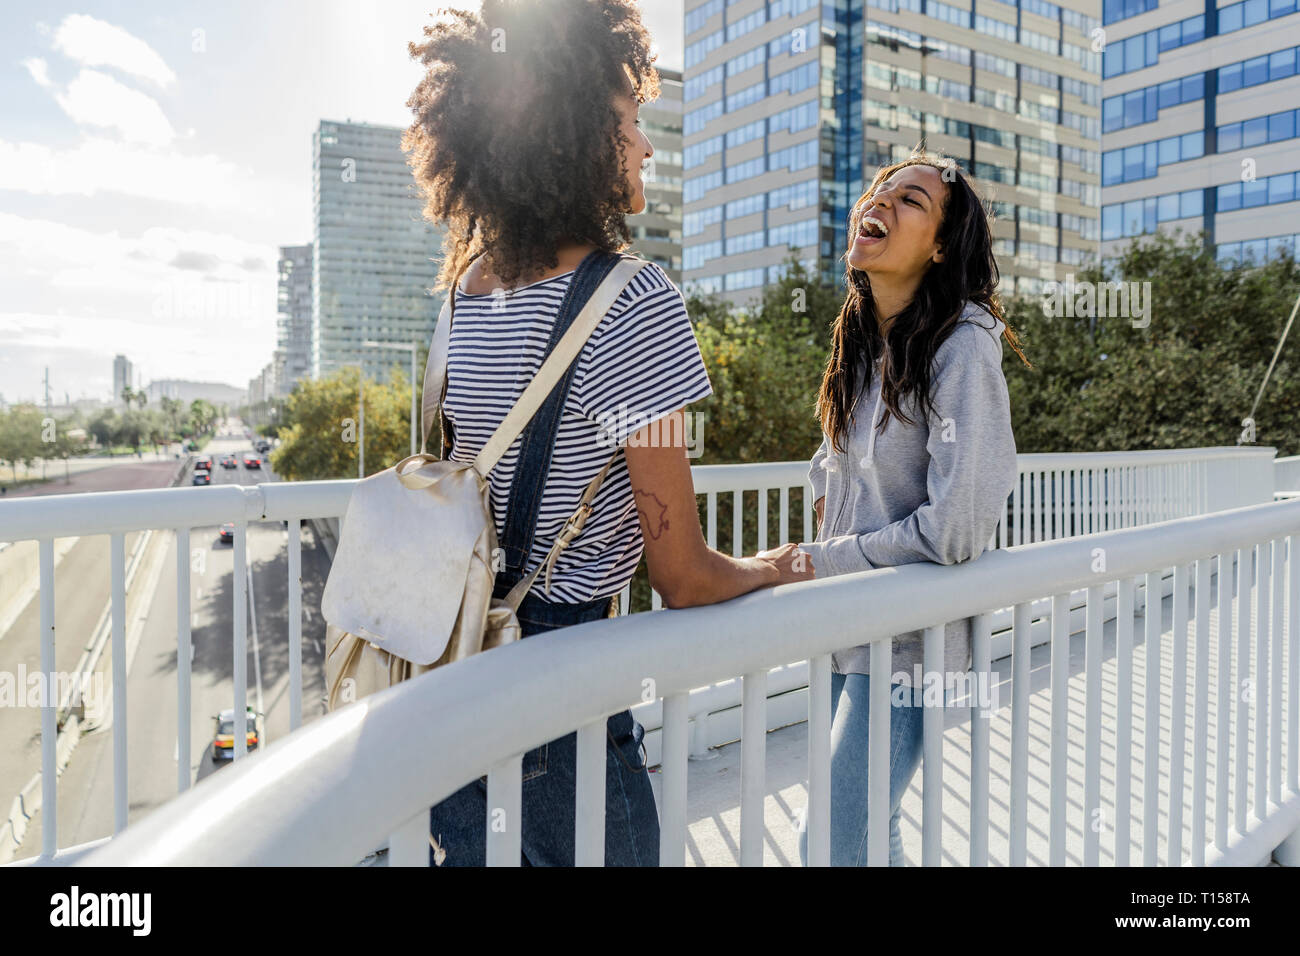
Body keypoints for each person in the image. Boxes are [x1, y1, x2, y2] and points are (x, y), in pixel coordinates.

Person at [402, 0, 814, 867]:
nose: (647, 147)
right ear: (578, 133)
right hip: (561, 684)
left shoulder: (461, 295)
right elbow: (684, 576)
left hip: (446, 666)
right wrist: (775, 566)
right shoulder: (632, 300)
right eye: (630, 123)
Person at [794, 153, 1030, 866]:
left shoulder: (963, 348)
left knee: (833, 843)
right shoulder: (865, 344)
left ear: (938, 247)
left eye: (913, 201)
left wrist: (814, 562)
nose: (883, 203)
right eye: (881, 191)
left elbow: (956, 527)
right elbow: (840, 471)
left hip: (905, 650)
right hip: (845, 624)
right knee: (871, 831)